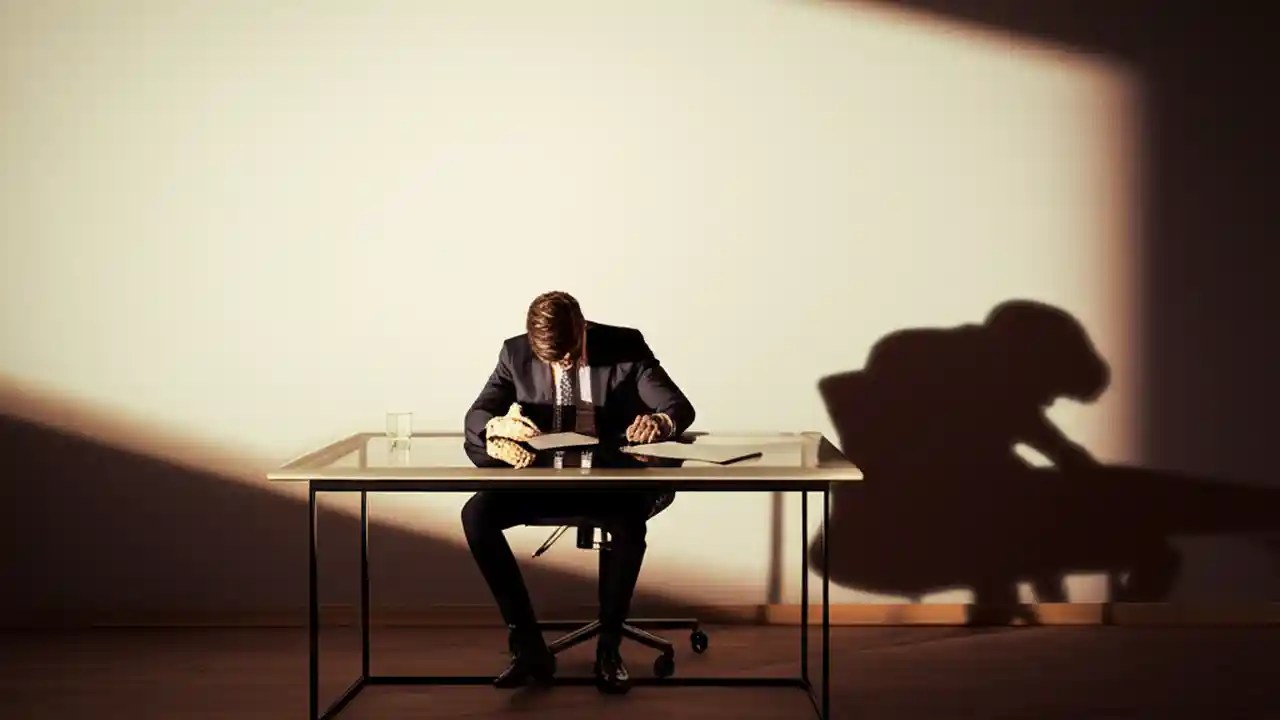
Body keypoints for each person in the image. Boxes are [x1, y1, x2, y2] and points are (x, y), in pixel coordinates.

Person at [460, 290, 695, 694]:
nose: (563, 364)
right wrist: (494, 432)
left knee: (626, 523)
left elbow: (678, 406)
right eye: (553, 359)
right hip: (545, 480)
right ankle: (528, 645)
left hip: (612, 483)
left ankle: (609, 647)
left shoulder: (625, 346)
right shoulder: (514, 354)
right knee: (476, 516)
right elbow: (477, 415)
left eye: (569, 353)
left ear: (582, 326)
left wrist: (659, 421)